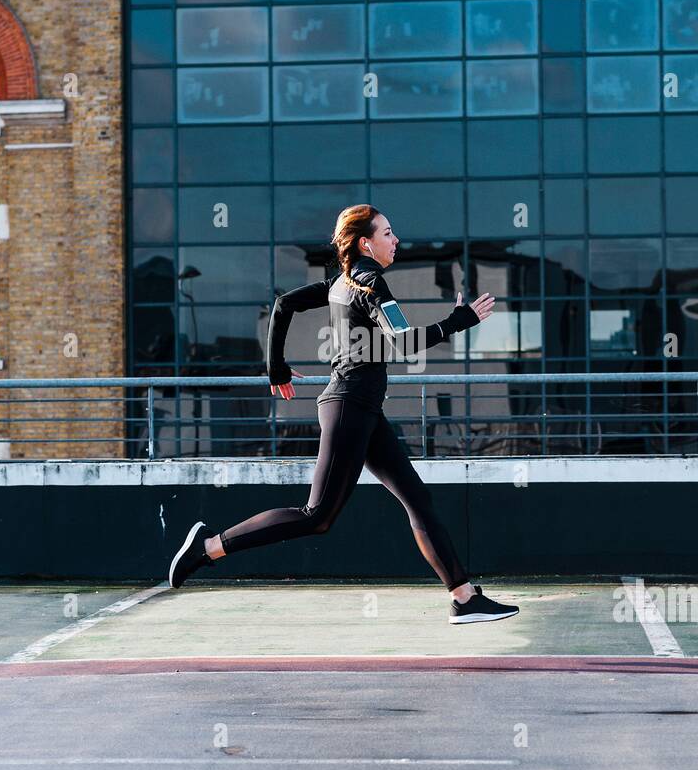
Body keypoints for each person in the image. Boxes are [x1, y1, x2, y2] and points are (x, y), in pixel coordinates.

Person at [166, 204, 519, 624]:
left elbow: (283, 304)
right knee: (317, 517)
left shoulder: (341, 284)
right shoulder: (369, 283)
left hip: (362, 407)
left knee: (418, 500)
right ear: (366, 242)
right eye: (388, 233)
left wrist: (275, 367)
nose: (396, 240)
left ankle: (464, 597)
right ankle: (207, 547)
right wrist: (459, 320)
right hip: (350, 406)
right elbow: (403, 345)